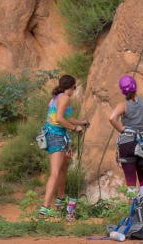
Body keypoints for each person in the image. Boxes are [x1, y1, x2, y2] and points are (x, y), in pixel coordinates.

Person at [40, 74, 88, 217]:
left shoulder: (57, 97)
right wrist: (74, 129)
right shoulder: (65, 98)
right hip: (56, 136)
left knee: (64, 166)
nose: (74, 90)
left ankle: (61, 199)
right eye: (74, 87)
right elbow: (60, 119)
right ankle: (45, 207)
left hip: (56, 136)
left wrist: (81, 122)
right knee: (55, 172)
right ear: (71, 87)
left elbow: (65, 117)